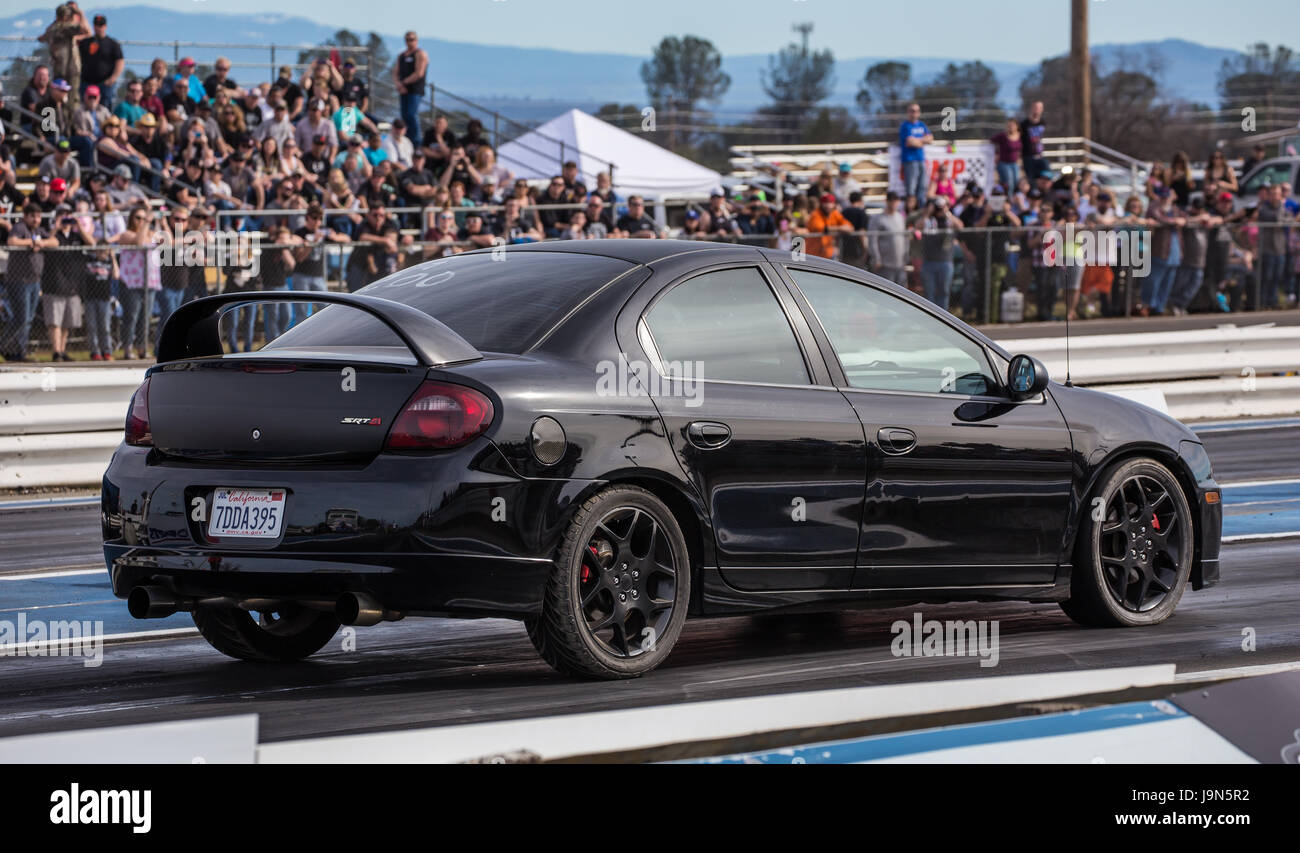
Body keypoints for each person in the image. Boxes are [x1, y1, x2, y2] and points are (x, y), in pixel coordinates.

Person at [4, 204, 58, 362]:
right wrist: (30, 242)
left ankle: (19, 351)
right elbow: (12, 241)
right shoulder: (20, 228)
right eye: (32, 216)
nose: (36, 220)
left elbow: (54, 241)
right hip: (19, 281)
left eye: (38, 216)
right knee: (21, 317)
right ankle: (8, 346)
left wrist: (41, 243)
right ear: (25, 216)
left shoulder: (39, 231)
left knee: (28, 318)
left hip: (34, 281)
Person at [112, 205, 161, 360]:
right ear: (131, 219)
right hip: (131, 283)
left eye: (143, 218)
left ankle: (142, 348)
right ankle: (127, 348)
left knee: (145, 318)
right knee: (131, 316)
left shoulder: (151, 233)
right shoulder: (125, 235)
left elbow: (165, 240)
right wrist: (146, 222)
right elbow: (139, 242)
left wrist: (160, 221)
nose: (141, 221)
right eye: (137, 218)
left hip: (149, 282)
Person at [910, 196, 962, 310]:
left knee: (944, 291)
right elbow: (918, 226)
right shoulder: (928, 221)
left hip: (945, 262)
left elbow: (960, 226)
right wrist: (928, 213)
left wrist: (947, 212)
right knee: (929, 293)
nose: (939, 210)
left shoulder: (949, 220)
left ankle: (943, 316)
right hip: (929, 262)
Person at [1141, 187, 1186, 316]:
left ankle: (1160, 307)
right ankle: (1149, 305)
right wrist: (1175, 221)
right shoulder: (1154, 208)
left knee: (1167, 282)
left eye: (1167, 197)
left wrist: (1182, 220)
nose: (1164, 199)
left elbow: (1186, 218)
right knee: (1153, 281)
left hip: (1175, 251)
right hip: (1159, 251)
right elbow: (1161, 219)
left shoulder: (1175, 210)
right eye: (1162, 197)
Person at [39, 3, 89, 110]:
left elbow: (42, 38)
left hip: (58, 67)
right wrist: (80, 14)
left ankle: (59, 117)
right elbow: (85, 30)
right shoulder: (67, 28)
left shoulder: (52, 28)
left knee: (57, 97)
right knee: (72, 98)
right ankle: (70, 121)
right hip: (71, 68)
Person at [1257, 183, 1293, 310]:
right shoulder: (1264, 208)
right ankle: (1263, 302)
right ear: (1269, 195)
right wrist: (1282, 216)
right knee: (1267, 277)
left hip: (1280, 248)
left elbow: (1289, 219)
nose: (1276, 197)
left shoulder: (1282, 207)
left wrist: (1283, 218)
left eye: (1278, 194)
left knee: (1277, 277)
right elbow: (1276, 218)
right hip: (1267, 249)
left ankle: (1273, 301)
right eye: (1273, 194)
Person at [78, 13, 123, 107]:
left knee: (104, 108)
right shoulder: (86, 42)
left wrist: (113, 78)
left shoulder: (113, 44)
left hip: (104, 83)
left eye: (100, 25)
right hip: (86, 82)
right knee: (84, 107)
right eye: (96, 25)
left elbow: (120, 62)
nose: (98, 28)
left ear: (105, 26)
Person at [869, 191, 908, 285]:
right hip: (884, 265)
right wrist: (877, 259)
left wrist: (905, 258)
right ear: (887, 201)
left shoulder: (900, 217)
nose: (894, 203)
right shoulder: (878, 219)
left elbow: (904, 238)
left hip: (900, 264)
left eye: (896, 200)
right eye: (892, 200)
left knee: (902, 294)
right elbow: (872, 240)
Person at [393, 31, 428, 136]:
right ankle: (407, 137)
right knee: (404, 116)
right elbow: (395, 72)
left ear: (416, 40)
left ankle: (416, 140)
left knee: (411, 114)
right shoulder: (402, 55)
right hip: (403, 90)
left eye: (412, 39)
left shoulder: (420, 54)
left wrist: (403, 82)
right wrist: (398, 84)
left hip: (415, 90)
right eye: (407, 40)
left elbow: (419, 73)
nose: (409, 42)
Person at [898, 103, 933, 207]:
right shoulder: (905, 126)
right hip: (909, 160)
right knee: (911, 189)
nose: (914, 113)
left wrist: (917, 141)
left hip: (921, 159)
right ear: (908, 112)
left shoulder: (922, 125)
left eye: (917, 111)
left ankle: (922, 210)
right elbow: (909, 142)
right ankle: (911, 212)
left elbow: (930, 138)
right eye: (912, 111)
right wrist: (923, 140)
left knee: (922, 187)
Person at [803, 192, 852, 259]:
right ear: (821, 204)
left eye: (830, 203)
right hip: (813, 254)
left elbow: (849, 226)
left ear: (834, 204)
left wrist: (845, 228)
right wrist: (840, 228)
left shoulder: (834, 213)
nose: (828, 205)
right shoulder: (816, 214)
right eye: (825, 203)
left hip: (828, 254)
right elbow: (821, 228)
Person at [991, 118, 1022, 193]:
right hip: (1004, 163)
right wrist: (996, 153)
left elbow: (1021, 149)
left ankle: (1015, 199)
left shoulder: (1020, 136)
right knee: (1009, 183)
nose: (1011, 127)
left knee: (1016, 182)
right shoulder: (1002, 136)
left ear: (1017, 126)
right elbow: (991, 141)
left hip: (1015, 163)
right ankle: (1009, 200)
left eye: (1012, 125)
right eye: (1009, 125)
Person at [1019, 101, 1047, 181]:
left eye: (1039, 108)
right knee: (1030, 178)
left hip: (1040, 155)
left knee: (1045, 175)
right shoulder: (1024, 124)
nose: (1037, 110)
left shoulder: (1043, 122)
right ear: (1031, 109)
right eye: (1035, 107)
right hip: (1028, 155)